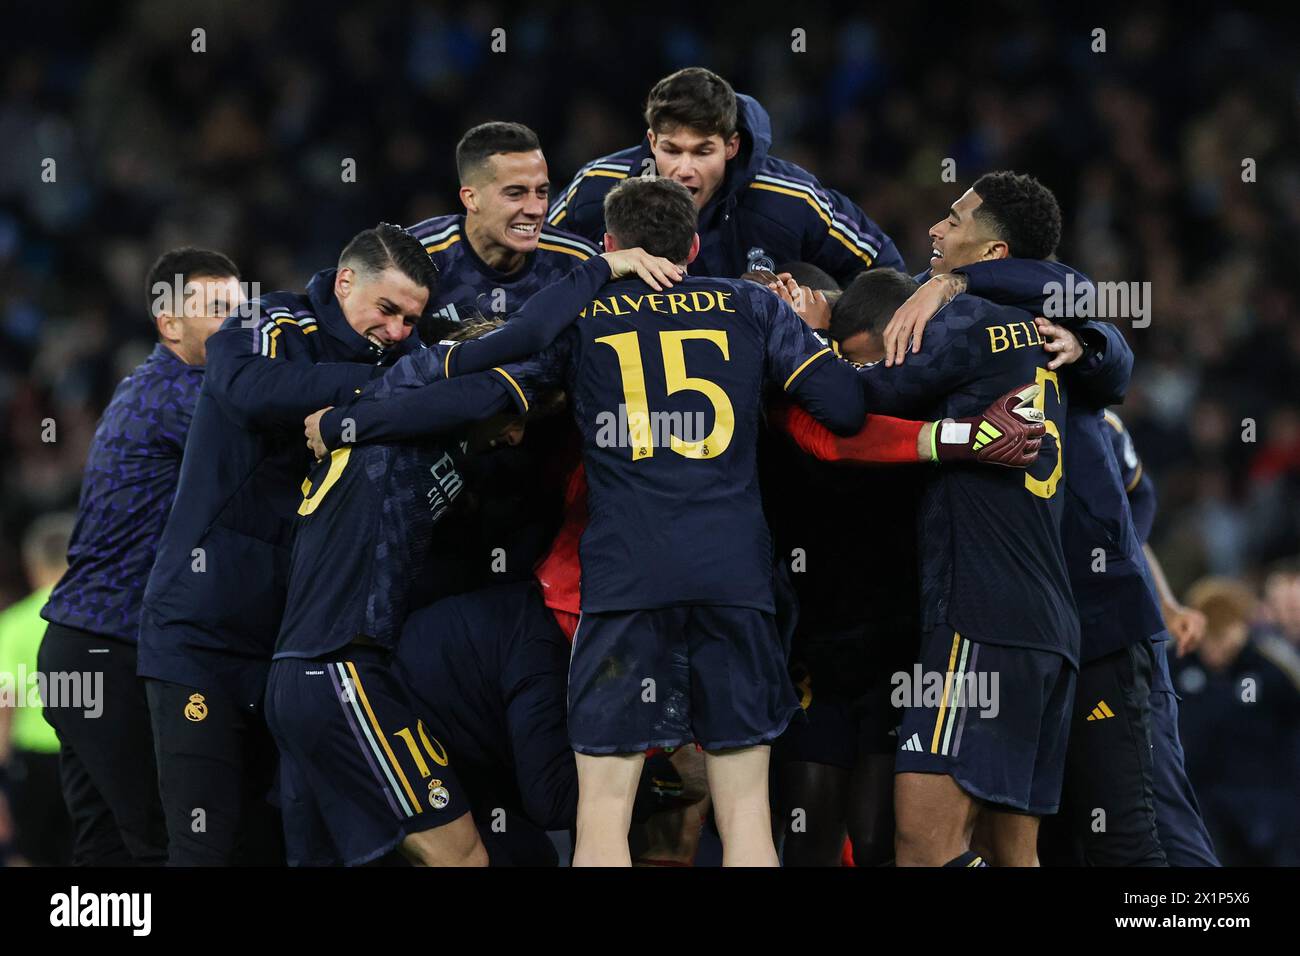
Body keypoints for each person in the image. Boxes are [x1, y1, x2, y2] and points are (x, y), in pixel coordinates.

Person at [274, 246, 678, 866]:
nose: (515, 433)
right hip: (339, 669)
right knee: (464, 858)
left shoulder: (421, 430)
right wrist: (605, 267)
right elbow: (534, 333)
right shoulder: (422, 386)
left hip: (322, 670)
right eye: (515, 413)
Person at [38, 248, 242, 866]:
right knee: (159, 839)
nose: (239, 324)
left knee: (105, 851)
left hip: (81, 649)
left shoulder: (160, 388)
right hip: (110, 653)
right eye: (217, 310)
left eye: (242, 307)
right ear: (169, 323)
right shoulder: (179, 399)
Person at [549, 67, 905, 283]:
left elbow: (882, 270)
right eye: (672, 150)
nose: (684, 170)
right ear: (652, 140)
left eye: (703, 151)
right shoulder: (598, 187)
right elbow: (534, 266)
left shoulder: (791, 199)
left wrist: (820, 318)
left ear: (731, 146)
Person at [410, 121, 600, 330]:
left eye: (542, 192)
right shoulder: (415, 259)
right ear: (471, 198)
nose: (535, 209)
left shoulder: (579, 263)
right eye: (515, 194)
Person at [1172, 578, 1300, 865]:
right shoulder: (1175, 663)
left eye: (1224, 635)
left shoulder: (1274, 666)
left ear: (1243, 627)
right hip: (1202, 799)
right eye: (1210, 637)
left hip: (1270, 801)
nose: (1215, 648)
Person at [0, 514, 76, 865]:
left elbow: (4, 707)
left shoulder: (12, 625)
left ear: (33, 563)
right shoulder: (97, 621)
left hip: (32, 768)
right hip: (92, 759)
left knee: (31, 856)